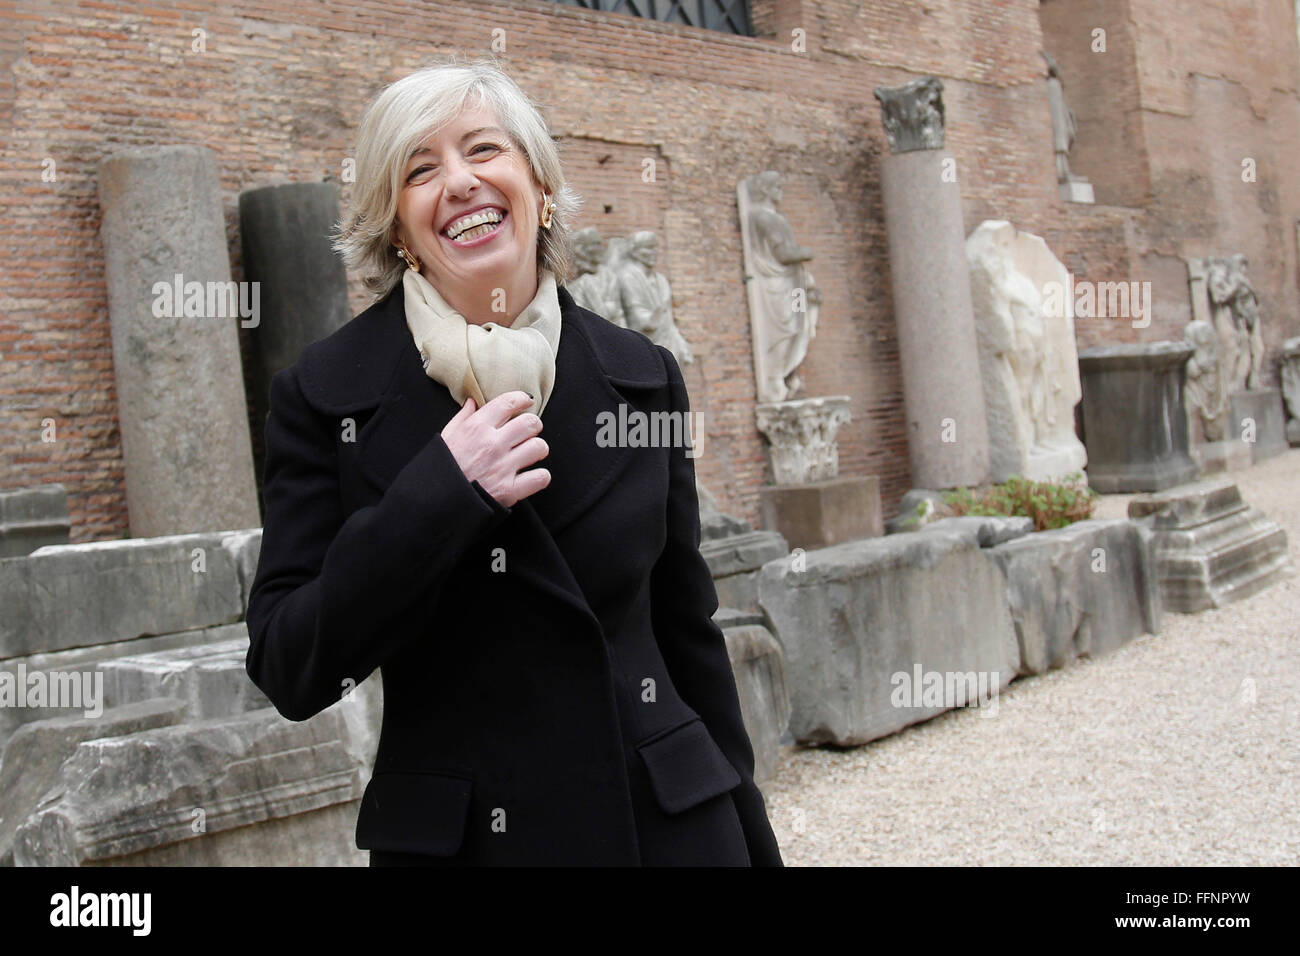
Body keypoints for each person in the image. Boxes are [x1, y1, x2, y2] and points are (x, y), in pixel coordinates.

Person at [244, 58, 783, 867]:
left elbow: (687, 632)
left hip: (666, 832)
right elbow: (290, 665)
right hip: (469, 846)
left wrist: (751, 838)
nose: (459, 182)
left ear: (540, 185)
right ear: (396, 228)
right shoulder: (324, 395)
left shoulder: (644, 376)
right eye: (419, 170)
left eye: (484, 150)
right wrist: (440, 494)